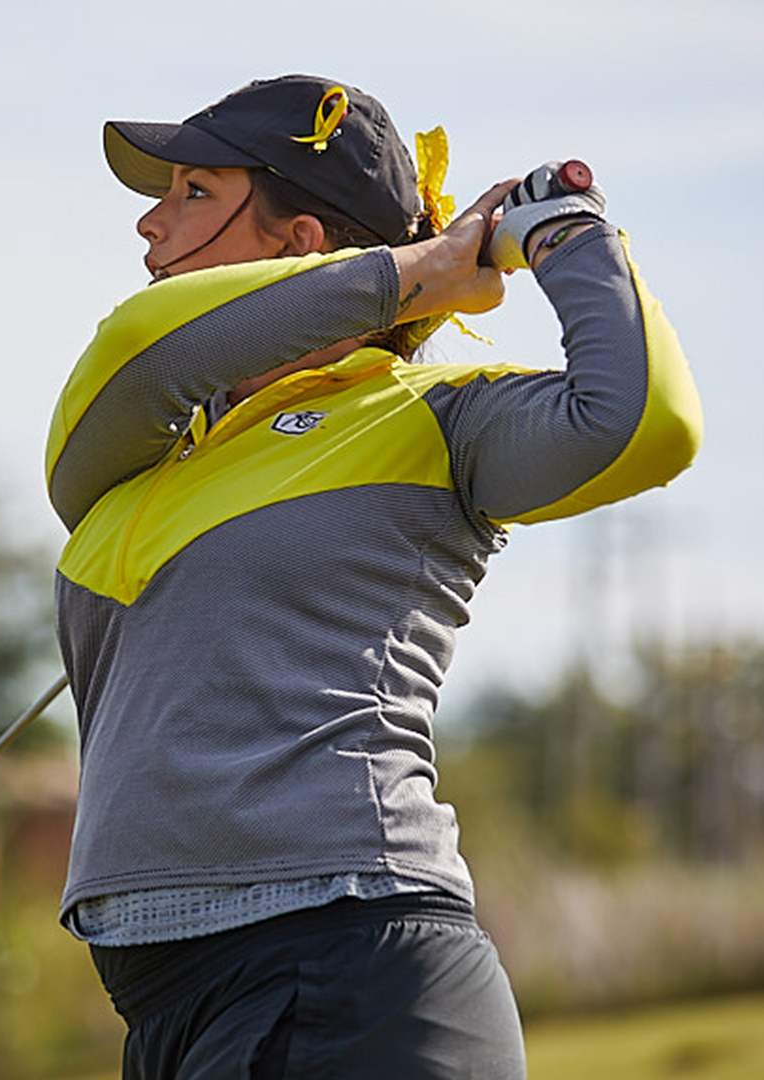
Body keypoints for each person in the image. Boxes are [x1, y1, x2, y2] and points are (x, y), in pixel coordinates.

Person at [44, 74, 701, 1079]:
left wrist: (564, 232)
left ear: (299, 243)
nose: (148, 223)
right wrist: (424, 272)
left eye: (192, 195)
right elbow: (135, 354)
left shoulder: (432, 420)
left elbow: (645, 421)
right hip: (170, 1009)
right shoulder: (137, 457)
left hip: (350, 963)